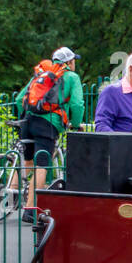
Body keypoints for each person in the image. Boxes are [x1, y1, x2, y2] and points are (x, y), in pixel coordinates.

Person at [15, 47, 85, 222]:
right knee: (42, 165)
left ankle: (11, 195)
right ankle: (30, 209)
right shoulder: (71, 77)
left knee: (28, 161)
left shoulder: (41, 74)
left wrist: (24, 118)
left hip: (28, 121)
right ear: (69, 62)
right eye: (73, 60)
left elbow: (19, 99)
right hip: (48, 125)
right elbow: (77, 104)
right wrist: (76, 125)